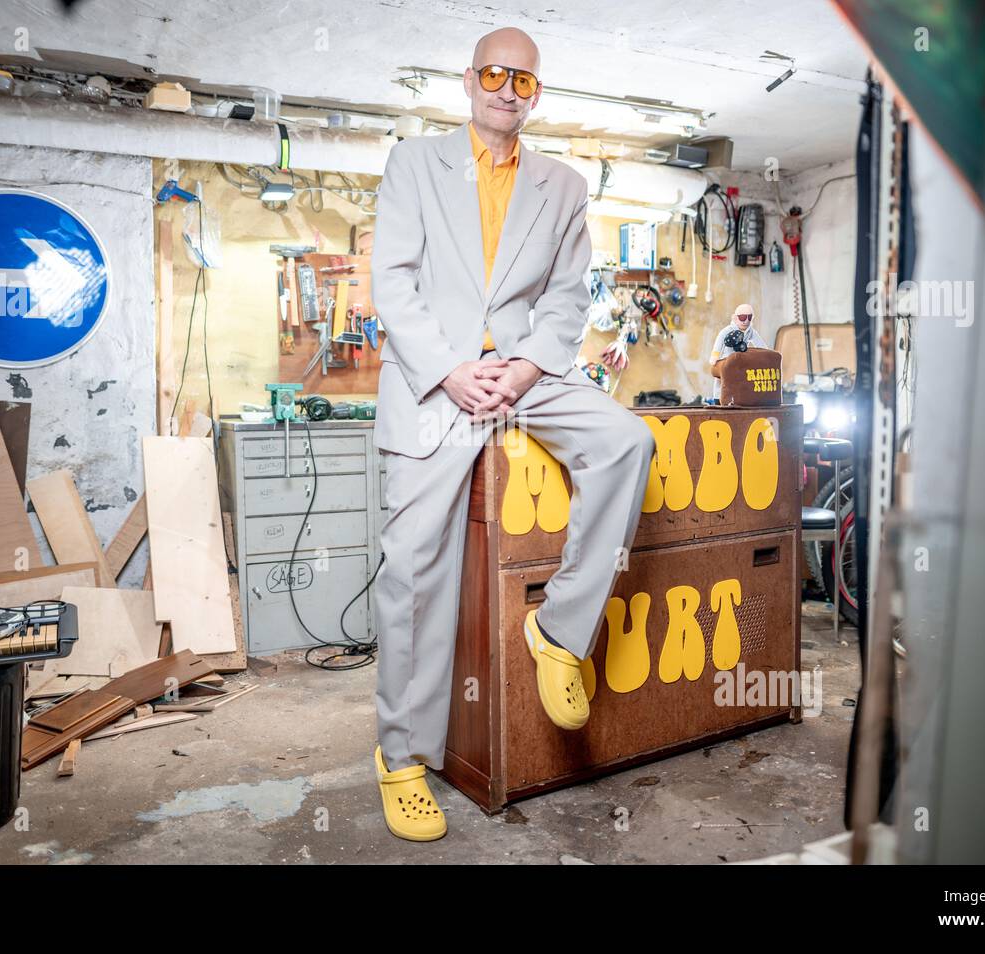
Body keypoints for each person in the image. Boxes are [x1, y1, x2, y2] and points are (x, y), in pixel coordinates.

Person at [369, 26, 656, 841]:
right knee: (416, 569)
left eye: (523, 80)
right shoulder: (413, 164)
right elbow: (392, 280)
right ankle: (403, 757)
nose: (507, 89)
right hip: (436, 380)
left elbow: (568, 300)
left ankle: (560, 630)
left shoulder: (563, 186)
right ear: (468, 81)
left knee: (627, 443)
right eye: (494, 74)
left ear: (536, 94)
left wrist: (526, 367)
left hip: (528, 374)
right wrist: (453, 369)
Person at [709, 303, 768, 400]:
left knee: (741, 380)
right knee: (722, 381)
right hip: (726, 358)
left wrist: (766, 354)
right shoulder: (727, 330)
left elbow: (760, 344)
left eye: (749, 317)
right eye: (742, 317)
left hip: (741, 359)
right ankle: (717, 398)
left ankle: (739, 398)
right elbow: (719, 342)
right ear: (735, 318)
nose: (746, 321)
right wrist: (715, 355)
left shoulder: (750, 331)